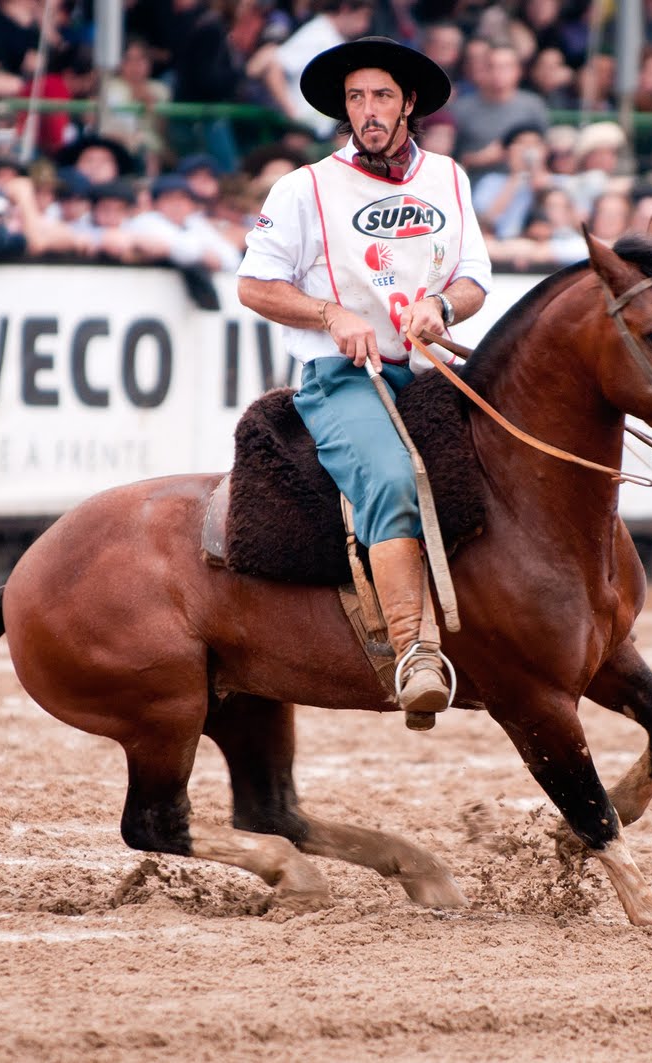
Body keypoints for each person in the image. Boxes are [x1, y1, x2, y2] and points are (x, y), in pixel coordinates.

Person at [236, 36, 491, 723]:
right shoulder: (303, 186)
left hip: (430, 367)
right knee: (388, 476)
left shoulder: (450, 178)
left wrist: (442, 306)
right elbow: (254, 286)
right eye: (356, 99)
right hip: (344, 375)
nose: (368, 110)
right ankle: (414, 654)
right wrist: (329, 313)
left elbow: (473, 280)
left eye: (381, 96)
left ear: (409, 103)